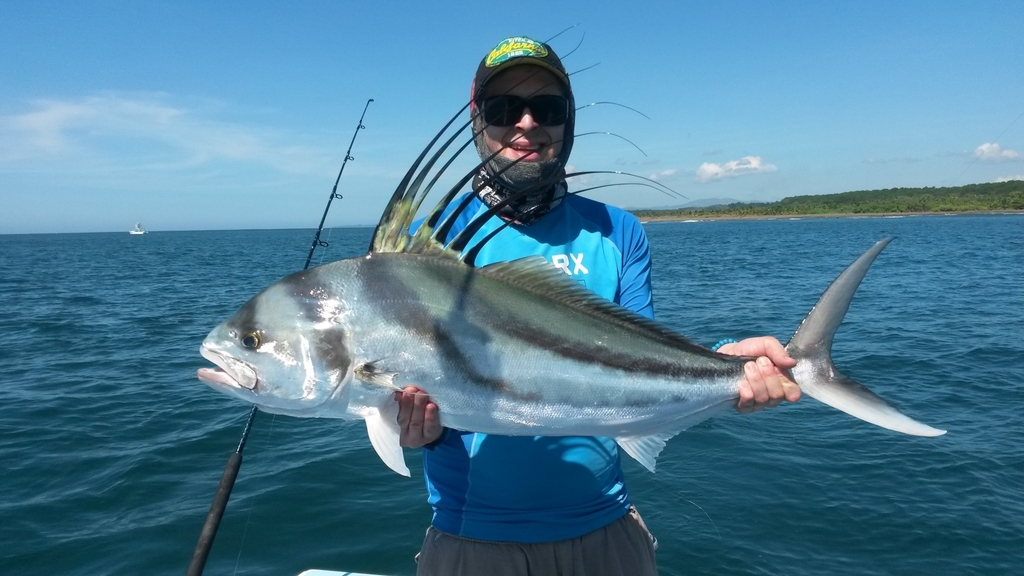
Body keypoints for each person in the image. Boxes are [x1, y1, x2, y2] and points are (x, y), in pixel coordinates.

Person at [395, 36, 801, 576]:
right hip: (474, 539)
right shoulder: (430, 244)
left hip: (607, 532)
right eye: (503, 108)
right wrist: (413, 420)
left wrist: (728, 368)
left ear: (568, 121)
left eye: (548, 107)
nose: (525, 123)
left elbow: (633, 366)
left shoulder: (618, 231)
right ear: (477, 118)